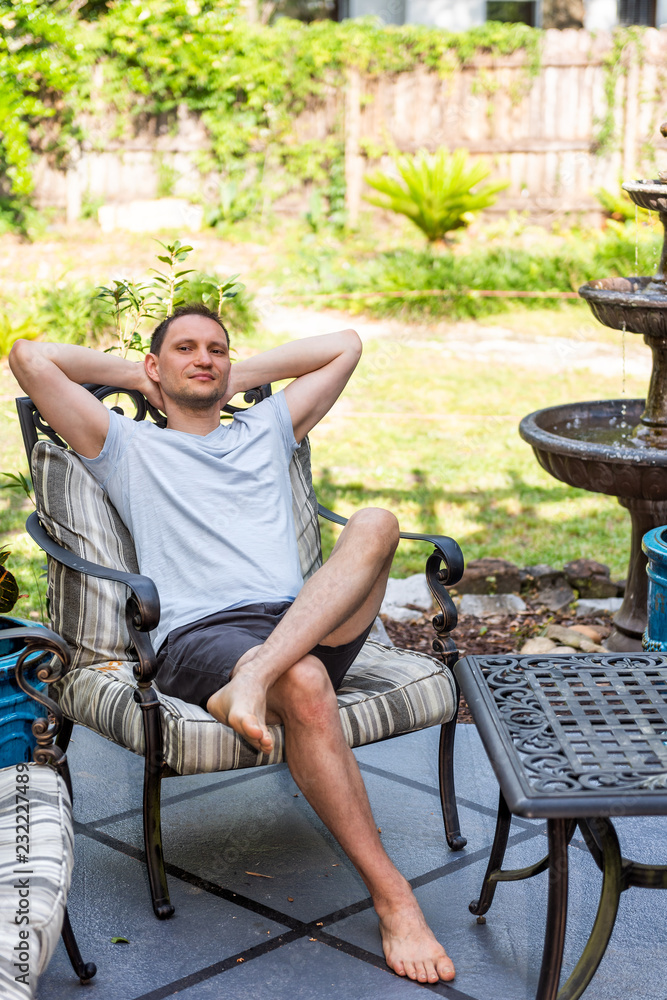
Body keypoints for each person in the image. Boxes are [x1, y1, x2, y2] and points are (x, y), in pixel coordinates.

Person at [9, 304, 455, 985]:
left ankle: (260, 674)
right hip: (200, 635)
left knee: (376, 521)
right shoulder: (126, 445)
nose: (205, 357)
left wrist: (225, 377)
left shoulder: (268, 427)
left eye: (216, 349)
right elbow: (29, 358)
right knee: (303, 682)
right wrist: (145, 376)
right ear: (156, 367)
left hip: (299, 618)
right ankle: (394, 897)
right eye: (185, 348)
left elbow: (345, 344)